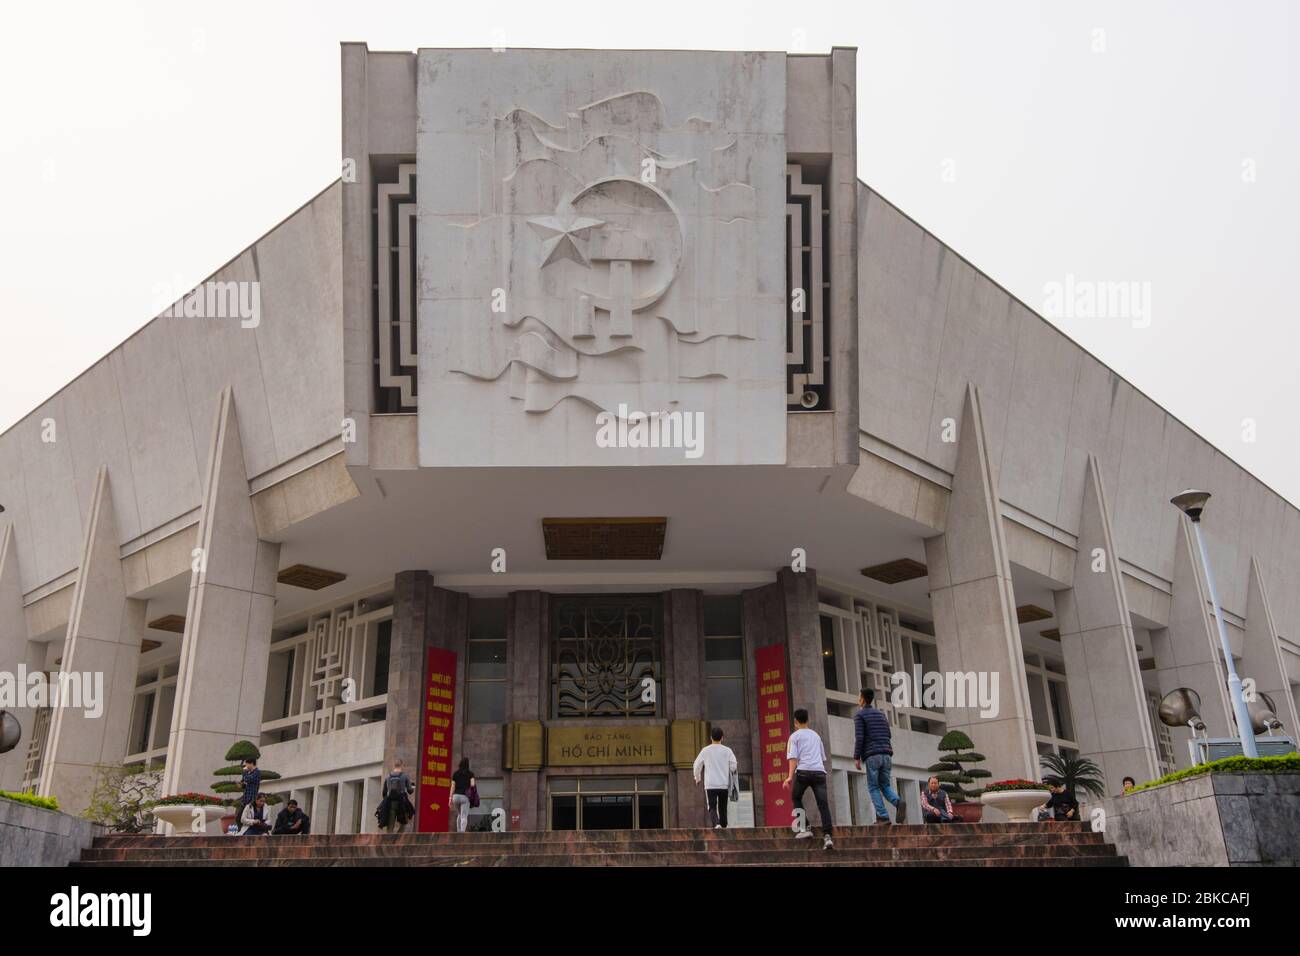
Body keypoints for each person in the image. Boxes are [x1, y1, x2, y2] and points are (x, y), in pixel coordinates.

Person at [782, 708, 834, 850]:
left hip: (804, 772)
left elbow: (793, 758)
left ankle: (804, 828)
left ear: (795, 722)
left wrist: (789, 777)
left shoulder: (794, 736)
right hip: (819, 773)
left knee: (796, 796)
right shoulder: (816, 736)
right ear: (808, 720)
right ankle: (828, 836)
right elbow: (823, 758)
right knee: (823, 805)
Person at [854, 688, 906, 825]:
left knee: (873, 787)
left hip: (872, 755)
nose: (858, 699)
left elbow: (859, 737)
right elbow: (888, 734)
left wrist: (856, 757)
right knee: (885, 785)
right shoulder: (881, 714)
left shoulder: (860, 715)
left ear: (863, 699)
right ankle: (898, 801)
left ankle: (883, 816)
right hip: (887, 754)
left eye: (859, 697)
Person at [692, 726, 739, 829]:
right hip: (724, 784)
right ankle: (724, 826)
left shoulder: (705, 750)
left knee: (712, 806)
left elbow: (697, 765)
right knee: (723, 807)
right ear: (722, 738)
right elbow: (733, 766)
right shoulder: (728, 751)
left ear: (711, 737)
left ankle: (716, 824)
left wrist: (697, 777)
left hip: (710, 784)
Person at [379, 758, 415, 833]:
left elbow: (384, 792)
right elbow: (410, 791)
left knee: (390, 826)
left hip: (390, 803)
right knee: (404, 822)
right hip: (402, 803)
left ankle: (389, 842)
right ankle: (398, 838)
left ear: (394, 766)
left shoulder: (388, 777)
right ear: (402, 765)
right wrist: (412, 788)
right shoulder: (405, 776)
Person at [234, 757, 261, 835]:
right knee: (238, 817)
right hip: (246, 798)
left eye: (247, 764)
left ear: (252, 763)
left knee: (245, 818)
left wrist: (244, 772)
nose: (246, 766)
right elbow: (247, 784)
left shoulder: (257, 772)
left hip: (251, 799)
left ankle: (243, 833)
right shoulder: (249, 773)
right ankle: (241, 832)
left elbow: (249, 779)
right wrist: (241, 785)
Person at [449, 758, 476, 833]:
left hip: (455, 797)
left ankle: (458, 831)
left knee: (459, 814)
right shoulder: (470, 774)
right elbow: (473, 785)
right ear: (468, 764)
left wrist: (450, 798)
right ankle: (462, 833)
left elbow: (452, 786)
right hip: (465, 797)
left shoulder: (455, 773)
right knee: (464, 816)